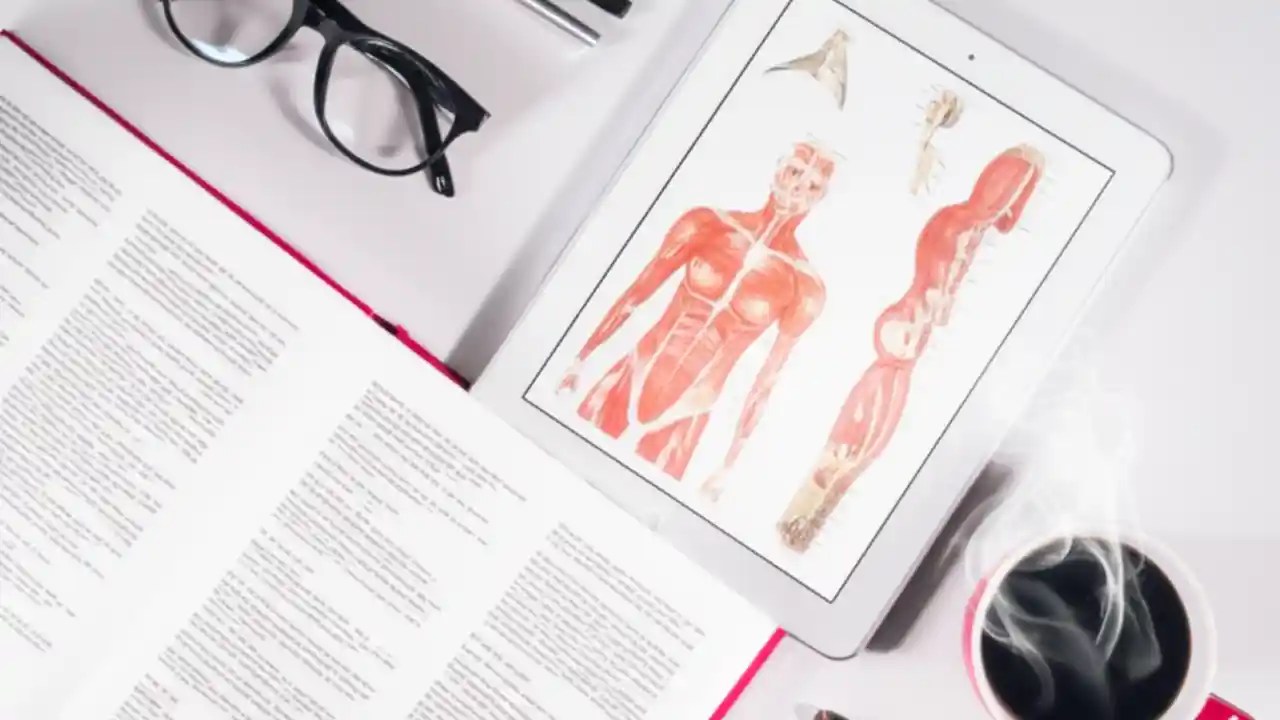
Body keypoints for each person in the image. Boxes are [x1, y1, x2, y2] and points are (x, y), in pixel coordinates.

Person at [559, 141, 837, 484]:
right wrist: (580, 358)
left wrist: (729, 465)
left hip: (686, 414)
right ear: (777, 169)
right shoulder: (708, 223)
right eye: (795, 171)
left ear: (820, 198)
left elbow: (767, 378)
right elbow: (639, 291)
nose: (797, 188)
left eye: (812, 185)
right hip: (630, 378)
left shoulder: (804, 285)